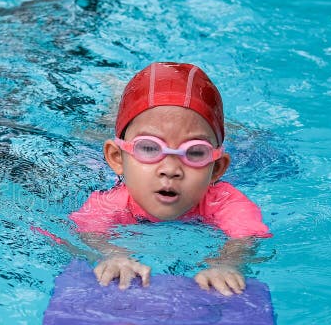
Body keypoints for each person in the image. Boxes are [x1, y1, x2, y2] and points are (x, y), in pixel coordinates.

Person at [69, 62, 271, 296]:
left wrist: (226, 264)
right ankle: (115, 91)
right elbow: (86, 233)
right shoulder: (110, 202)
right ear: (117, 158)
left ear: (216, 168)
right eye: (149, 148)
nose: (170, 169)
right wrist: (112, 255)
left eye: (195, 152)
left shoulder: (224, 201)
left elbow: (246, 237)